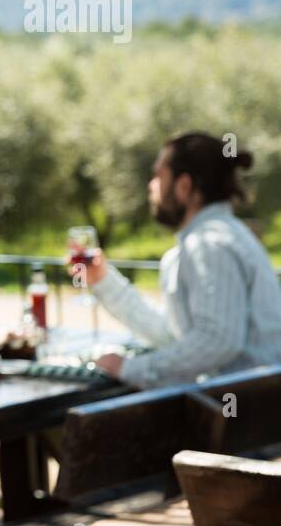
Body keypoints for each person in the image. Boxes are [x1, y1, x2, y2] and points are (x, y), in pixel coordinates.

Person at [76, 133, 281, 386]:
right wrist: (104, 281)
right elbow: (175, 335)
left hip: (244, 418)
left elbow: (217, 341)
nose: (151, 186)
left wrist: (133, 368)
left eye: (159, 175)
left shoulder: (209, 245)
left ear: (184, 186)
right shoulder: (216, 237)